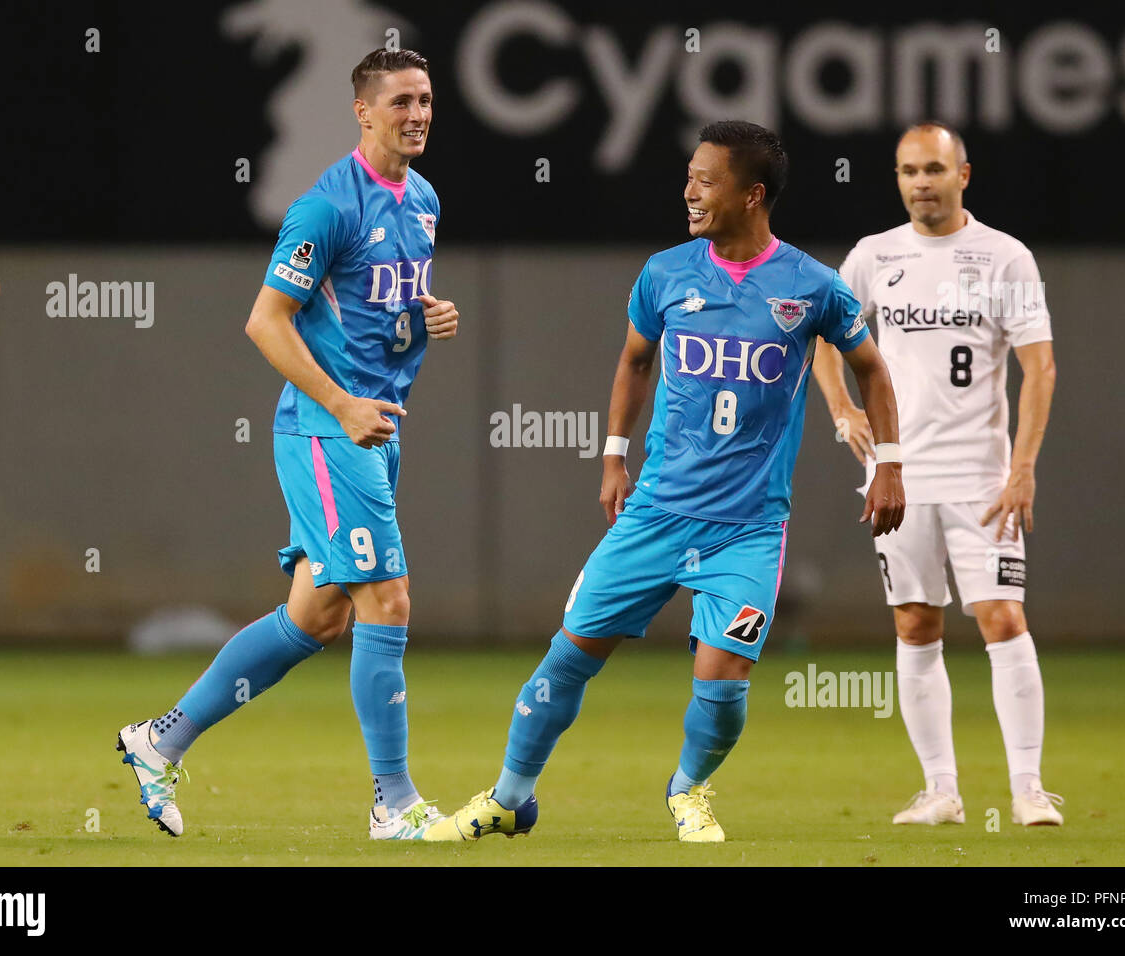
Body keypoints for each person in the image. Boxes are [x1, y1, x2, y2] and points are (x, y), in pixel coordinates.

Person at [424, 121, 904, 843]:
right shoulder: (665, 273)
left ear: (753, 194)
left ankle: (689, 788)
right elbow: (634, 361)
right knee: (565, 663)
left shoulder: (812, 286)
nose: (688, 191)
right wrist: (614, 454)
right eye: (689, 176)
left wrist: (890, 463)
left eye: (705, 180)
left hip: (748, 527)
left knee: (723, 688)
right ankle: (509, 797)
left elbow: (869, 365)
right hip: (655, 513)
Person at [118, 48, 459, 841]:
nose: (418, 114)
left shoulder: (424, 200)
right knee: (390, 597)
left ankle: (158, 740)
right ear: (363, 111)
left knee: (317, 617)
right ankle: (394, 803)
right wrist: (341, 405)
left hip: (375, 432)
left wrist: (427, 316)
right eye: (402, 101)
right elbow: (265, 320)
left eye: (427, 100)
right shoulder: (325, 207)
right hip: (325, 430)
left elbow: (382, 311)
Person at [812, 121, 1061, 826]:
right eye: (908, 171)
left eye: (933, 169)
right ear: (897, 180)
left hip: (983, 480)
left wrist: (1023, 468)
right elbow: (823, 340)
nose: (921, 182)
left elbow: (1038, 365)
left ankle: (1028, 788)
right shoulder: (873, 256)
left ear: (963, 175)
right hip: (898, 478)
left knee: (1002, 618)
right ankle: (941, 791)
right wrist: (841, 411)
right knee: (917, 624)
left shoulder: (1005, 257)